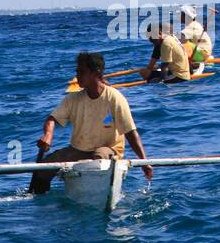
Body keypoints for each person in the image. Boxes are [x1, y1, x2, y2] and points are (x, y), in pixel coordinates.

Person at [30, 51, 152, 194]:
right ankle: (40, 202)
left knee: (98, 158)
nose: (78, 76)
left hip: (108, 149)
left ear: (96, 73)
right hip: (79, 150)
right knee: (44, 168)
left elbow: (130, 132)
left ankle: (95, 193)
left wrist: (144, 162)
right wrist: (48, 134)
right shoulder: (72, 99)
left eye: (82, 72)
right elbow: (53, 119)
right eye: (77, 71)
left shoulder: (115, 98)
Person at [179, 5, 213, 76]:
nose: (179, 16)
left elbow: (179, 41)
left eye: (181, 14)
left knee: (181, 44)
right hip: (204, 53)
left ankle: (187, 67)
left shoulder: (191, 27)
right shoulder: (195, 24)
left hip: (202, 54)